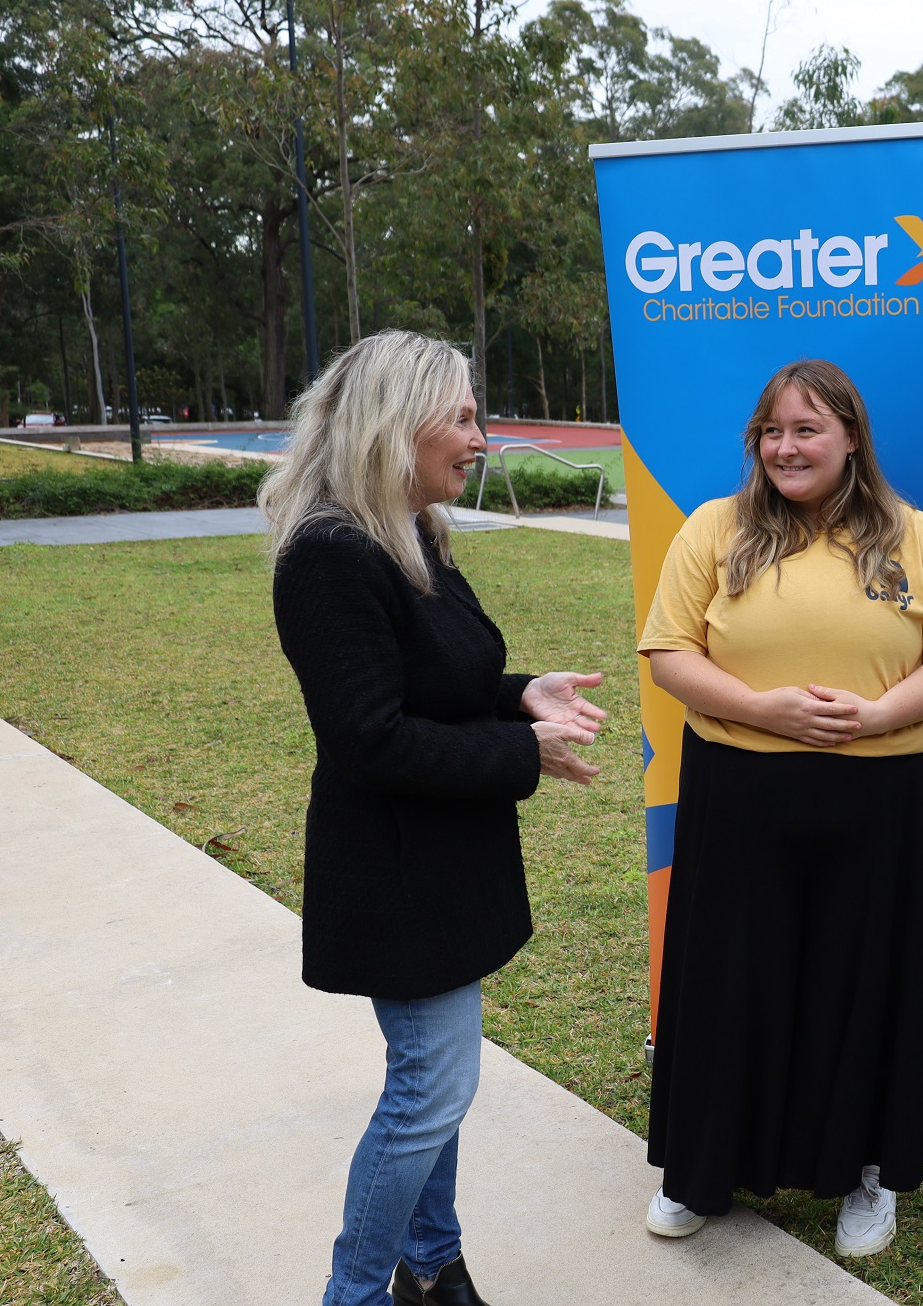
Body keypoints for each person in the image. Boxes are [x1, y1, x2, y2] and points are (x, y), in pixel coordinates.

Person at [263, 330, 610, 1306]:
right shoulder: (329, 555)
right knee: (428, 1093)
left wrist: (517, 695)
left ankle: (432, 1262)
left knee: (437, 1089)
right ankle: (359, 1290)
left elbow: (433, 685)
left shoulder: (409, 529)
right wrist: (520, 750)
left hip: (445, 867)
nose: (479, 436)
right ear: (394, 422)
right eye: (461, 415)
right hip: (397, 879)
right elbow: (371, 739)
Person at [637, 358, 923, 1257]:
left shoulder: (918, 537)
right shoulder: (715, 529)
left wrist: (873, 716)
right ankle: (700, 1170)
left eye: (808, 429)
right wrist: (764, 708)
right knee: (728, 983)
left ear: (851, 438)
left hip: (881, 798)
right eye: (773, 431)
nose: (787, 447)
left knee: (860, 982)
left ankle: (866, 1170)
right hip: (738, 790)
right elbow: (669, 650)